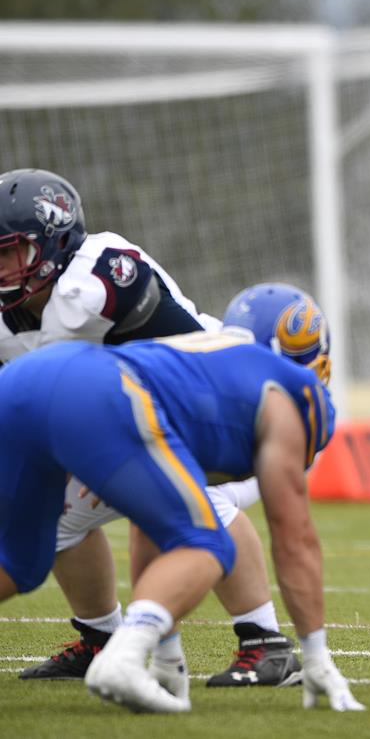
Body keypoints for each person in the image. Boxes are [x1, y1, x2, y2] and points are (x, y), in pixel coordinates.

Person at [0, 168, 302, 686]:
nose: (1, 265)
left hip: (215, 408)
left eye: (9, 251)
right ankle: (102, 641)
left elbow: (186, 369)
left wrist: (115, 450)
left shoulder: (103, 278)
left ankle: (267, 643)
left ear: (52, 241)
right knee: (49, 513)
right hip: (113, 420)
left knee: (184, 491)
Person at [0, 307, 361, 713]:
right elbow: (293, 538)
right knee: (208, 543)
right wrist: (315, 654)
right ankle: (122, 656)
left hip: (20, 379)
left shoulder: (212, 372)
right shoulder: (296, 397)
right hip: (100, 392)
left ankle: (138, 655)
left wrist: (169, 659)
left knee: (18, 563)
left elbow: (150, 525)